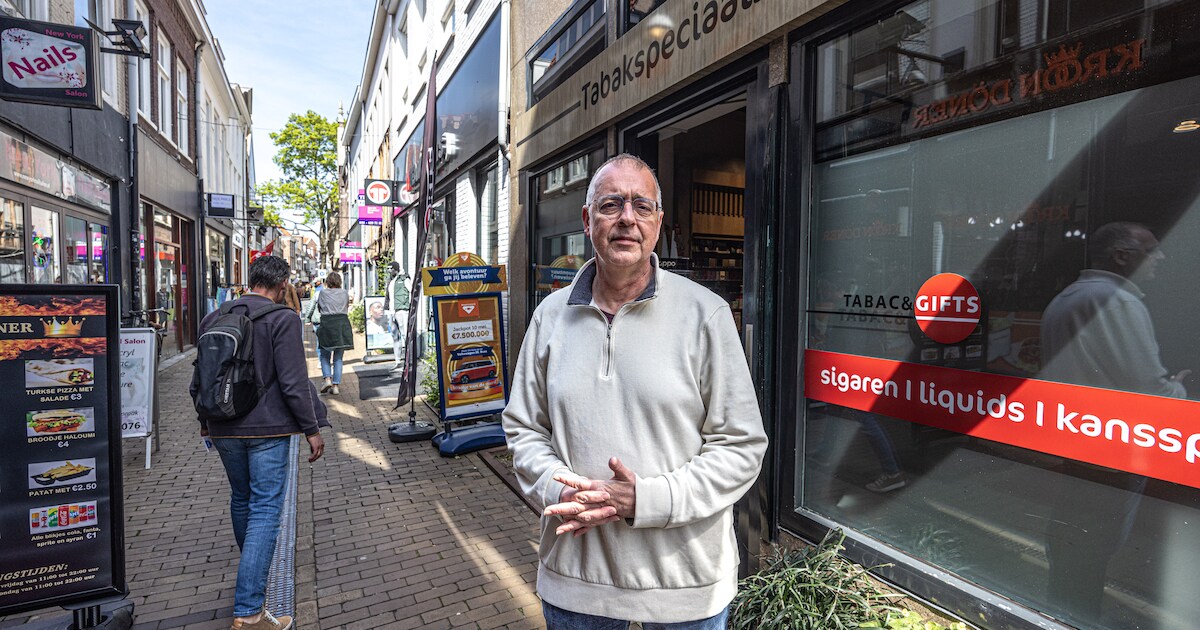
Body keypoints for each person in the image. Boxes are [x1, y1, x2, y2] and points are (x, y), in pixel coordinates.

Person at [502, 154, 768, 628]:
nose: (627, 217)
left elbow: (742, 447)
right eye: (611, 204)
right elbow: (523, 427)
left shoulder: (704, 315)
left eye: (641, 206)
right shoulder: (549, 316)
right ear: (587, 221)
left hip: (685, 588)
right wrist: (564, 493)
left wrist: (644, 501)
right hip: (576, 580)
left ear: (658, 223)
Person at [1040, 221, 1189, 624]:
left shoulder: (1065, 298)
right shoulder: (1118, 302)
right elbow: (1147, 389)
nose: (1160, 258)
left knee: (1072, 542)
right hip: (1113, 447)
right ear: (1122, 256)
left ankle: (1061, 611)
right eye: (1151, 249)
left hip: (1073, 440)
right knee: (1095, 547)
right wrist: (1177, 389)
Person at [190, 255, 325, 630]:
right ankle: (249, 614)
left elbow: (199, 376)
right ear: (282, 285)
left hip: (223, 426)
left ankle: (253, 584)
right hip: (268, 430)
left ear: (251, 280)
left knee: (242, 500)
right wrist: (312, 429)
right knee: (266, 511)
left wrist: (205, 422)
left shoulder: (212, 318)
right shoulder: (283, 319)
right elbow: (294, 383)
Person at [314, 271, 352, 395]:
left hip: (327, 323)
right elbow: (347, 305)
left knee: (324, 354)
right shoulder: (344, 293)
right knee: (338, 357)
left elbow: (319, 308)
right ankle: (335, 385)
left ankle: (327, 379)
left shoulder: (323, 293)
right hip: (341, 324)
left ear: (328, 282)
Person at [385, 262, 410, 372]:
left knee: (405, 335)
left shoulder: (404, 278)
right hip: (392, 311)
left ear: (396, 269)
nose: (390, 271)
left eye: (391, 269)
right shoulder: (390, 281)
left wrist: (408, 306)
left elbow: (411, 291)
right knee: (395, 336)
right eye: (388, 269)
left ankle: (408, 361)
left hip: (402, 310)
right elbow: (388, 296)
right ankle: (397, 361)